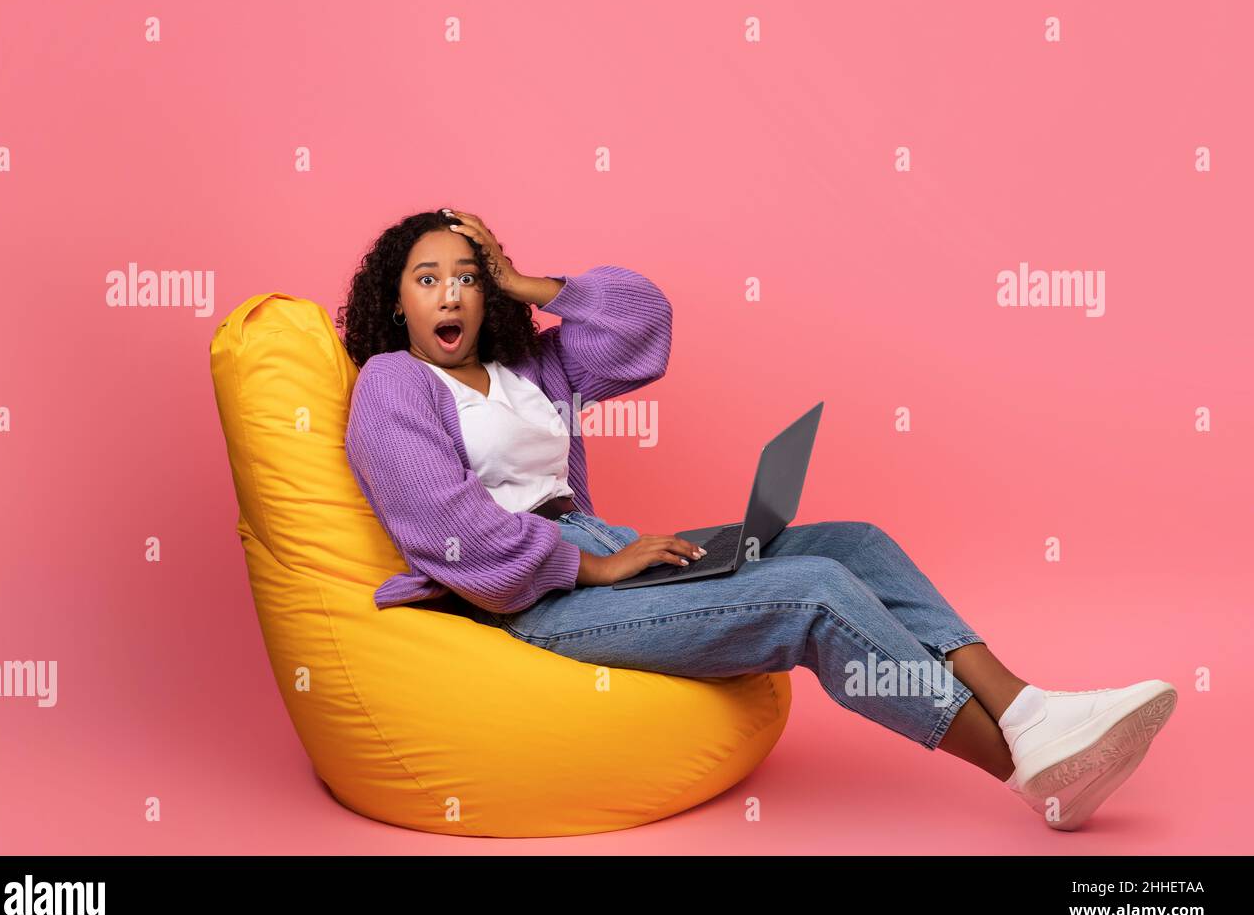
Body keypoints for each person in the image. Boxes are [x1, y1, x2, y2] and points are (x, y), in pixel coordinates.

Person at [337, 207, 1178, 831]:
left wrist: (533, 283)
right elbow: (445, 527)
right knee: (810, 592)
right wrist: (592, 565)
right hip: (536, 600)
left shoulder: (531, 368)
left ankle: (1031, 711)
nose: (452, 293)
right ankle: (1033, 773)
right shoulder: (394, 383)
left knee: (853, 543)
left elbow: (643, 326)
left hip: (604, 554)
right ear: (398, 301)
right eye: (429, 278)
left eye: (469, 275)